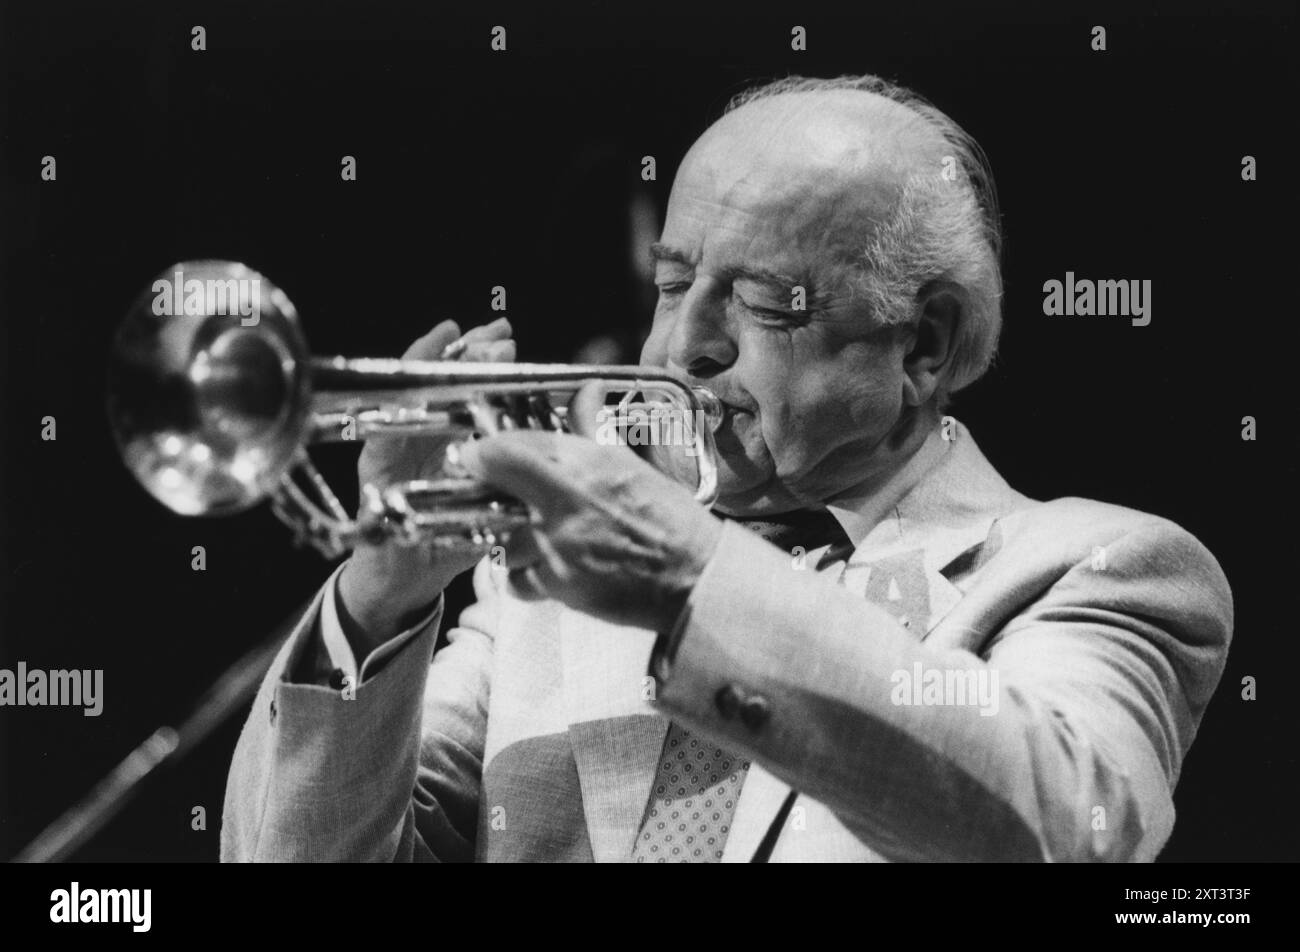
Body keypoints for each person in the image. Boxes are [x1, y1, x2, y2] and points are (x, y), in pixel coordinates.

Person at [221, 74, 1232, 862]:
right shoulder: (537, 598)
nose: (679, 348)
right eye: (670, 283)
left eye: (764, 303)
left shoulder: (1099, 569)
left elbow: (1077, 828)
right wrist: (383, 592)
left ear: (923, 345)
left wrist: (689, 577)